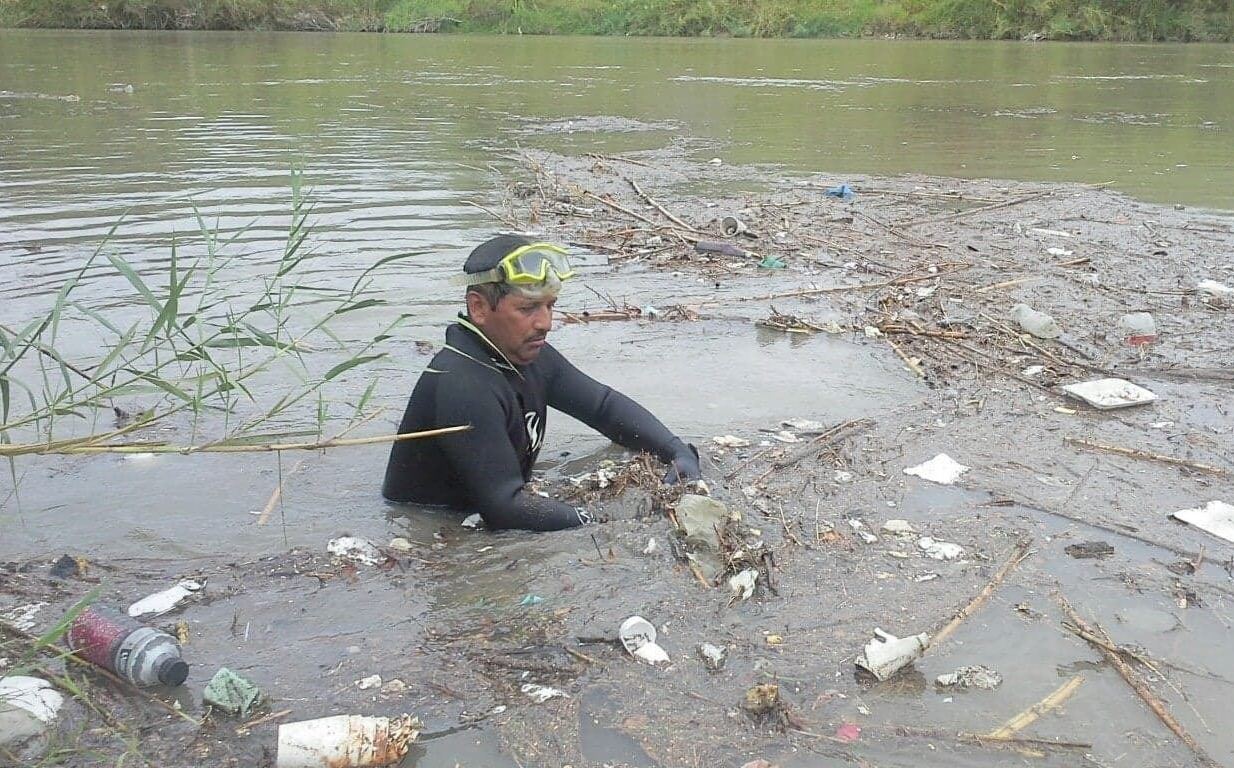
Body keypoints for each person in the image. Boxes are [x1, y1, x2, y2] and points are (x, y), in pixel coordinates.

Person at [382, 234, 701, 531]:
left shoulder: (528, 356)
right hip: (437, 527)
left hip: (496, 502)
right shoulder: (462, 383)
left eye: (551, 305)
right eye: (528, 308)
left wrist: (675, 451)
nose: (545, 323)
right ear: (479, 308)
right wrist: (603, 522)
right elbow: (504, 508)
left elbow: (603, 407)